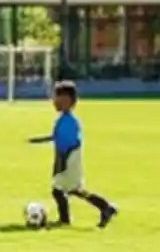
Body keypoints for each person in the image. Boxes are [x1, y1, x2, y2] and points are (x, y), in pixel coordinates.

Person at [27, 80, 118, 228]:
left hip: (69, 160)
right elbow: (58, 137)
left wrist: (63, 160)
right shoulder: (65, 120)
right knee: (73, 190)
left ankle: (66, 219)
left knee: (59, 190)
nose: (54, 101)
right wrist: (42, 140)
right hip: (68, 160)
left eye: (57, 98)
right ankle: (105, 207)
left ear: (67, 100)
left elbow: (69, 141)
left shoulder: (69, 121)